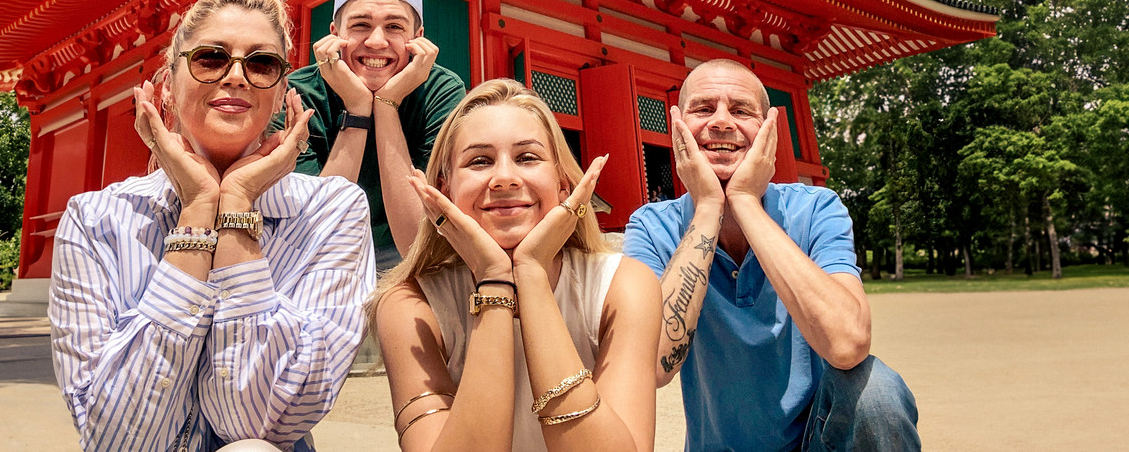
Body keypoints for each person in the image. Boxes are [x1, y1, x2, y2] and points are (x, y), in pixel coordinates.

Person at [49, 0, 375, 452]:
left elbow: (257, 423)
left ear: (283, 91)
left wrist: (237, 202)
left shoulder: (331, 211)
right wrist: (199, 209)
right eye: (211, 58)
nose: (237, 77)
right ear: (167, 84)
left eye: (261, 63)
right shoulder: (96, 218)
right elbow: (116, 437)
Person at [622, 59, 920, 452]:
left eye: (741, 110)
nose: (722, 122)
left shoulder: (816, 209)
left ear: (768, 129)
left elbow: (847, 344)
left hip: (818, 442)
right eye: (704, 108)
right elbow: (655, 364)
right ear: (677, 122)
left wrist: (745, 201)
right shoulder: (651, 226)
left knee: (876, 389)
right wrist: (709, 206)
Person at [373, 79, 660, 452]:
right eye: (479, 161)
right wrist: (494, 282)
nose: (505, 178)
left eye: (527, 158)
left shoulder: (623, 285)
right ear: (445, 190)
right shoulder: (410, 306)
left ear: (562, 183)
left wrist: (532, 274)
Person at [278, 0, 466, 268]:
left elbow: (416, 243)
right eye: (360, 25)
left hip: (412, 257)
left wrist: (387, 105)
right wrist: (357, 108)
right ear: (335, 33)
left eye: (394, 27)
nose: (376, 41)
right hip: (318, 258)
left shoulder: (441, 91)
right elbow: (311, 232)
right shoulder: (298, 93)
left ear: (418, 37)